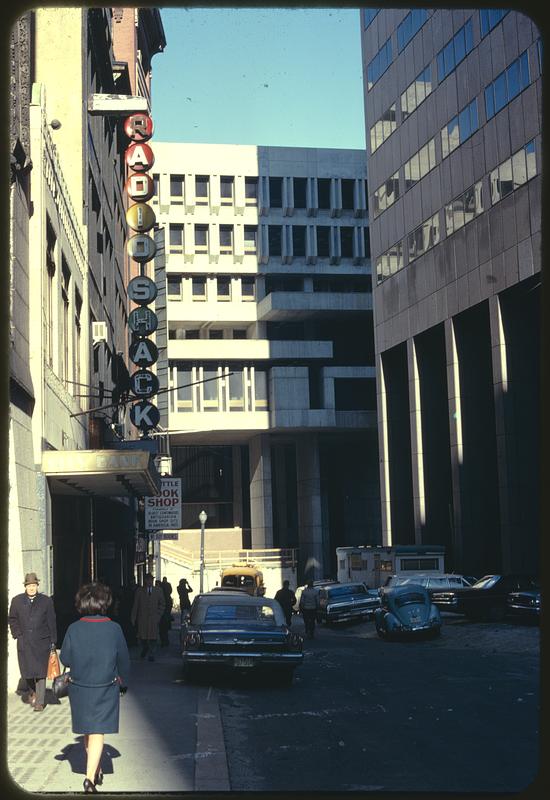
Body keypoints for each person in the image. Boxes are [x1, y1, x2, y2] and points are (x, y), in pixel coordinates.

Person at [60, 582, 130, 793]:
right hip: (105, 686)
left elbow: (65, 658)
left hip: (79, 687)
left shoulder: (73, 628)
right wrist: (123, 682)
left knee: (88, 730)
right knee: (98, 730)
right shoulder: (114, 628)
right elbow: (124, 660)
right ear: (104, 603)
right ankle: (89, 779)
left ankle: (96, 769)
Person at [8, 572, 57, 712]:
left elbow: (51, 622)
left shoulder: (46, 601)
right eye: (29, 585)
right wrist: (17, 634)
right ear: (25, 586)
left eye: (34, 585)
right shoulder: (16, 601)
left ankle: (40, 702)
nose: (31, 588)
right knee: (27, 673)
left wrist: (53, 641)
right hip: (25, 643)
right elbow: (12, 619)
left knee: (41, 673)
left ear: (37, 586)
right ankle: (33, 691)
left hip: (42, 643)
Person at [131, 574, 165, 661]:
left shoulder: (158, 590)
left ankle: (151, 654)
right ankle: (145, 648)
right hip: (143, 618)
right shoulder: (139, 591)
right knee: (143, 637)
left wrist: (158, 615)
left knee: (153, 637)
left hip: (153, 618)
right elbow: (136, 605)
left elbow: (162, 604)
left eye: (151, 580)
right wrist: (133, 618)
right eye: (148, 580)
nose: (149, 582)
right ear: (145, 581)